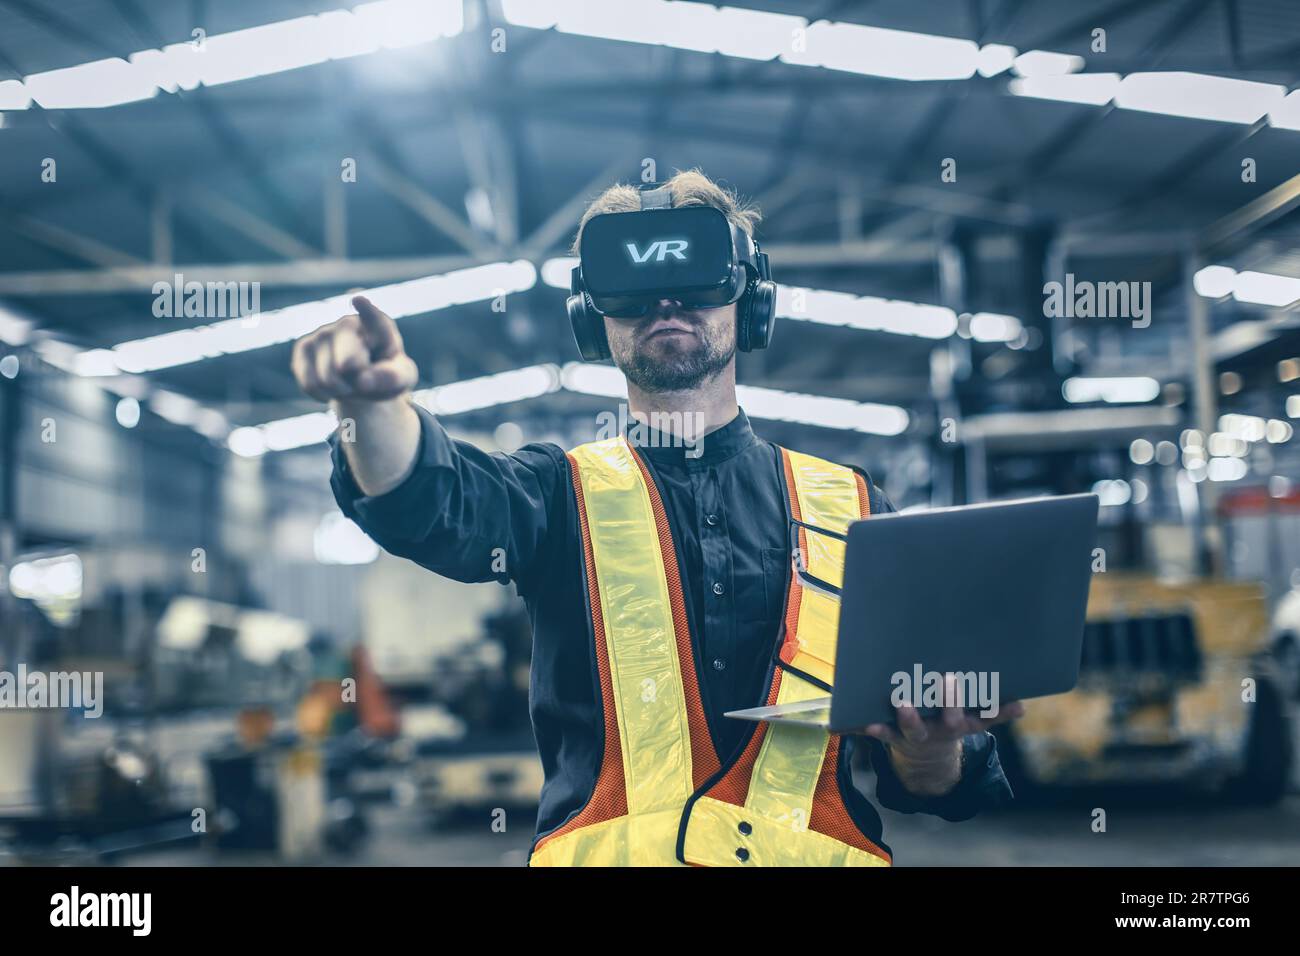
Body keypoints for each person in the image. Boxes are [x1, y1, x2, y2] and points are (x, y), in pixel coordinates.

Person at [291, 169, 1019, 866]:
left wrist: (930, 744)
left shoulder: (855, 510)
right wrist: (369, 406)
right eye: (634, 292)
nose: (667, 306)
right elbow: (430, 501)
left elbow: (936, 787)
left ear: (752, 299)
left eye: (696, 280)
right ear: (591, 316)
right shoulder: (557, 496)